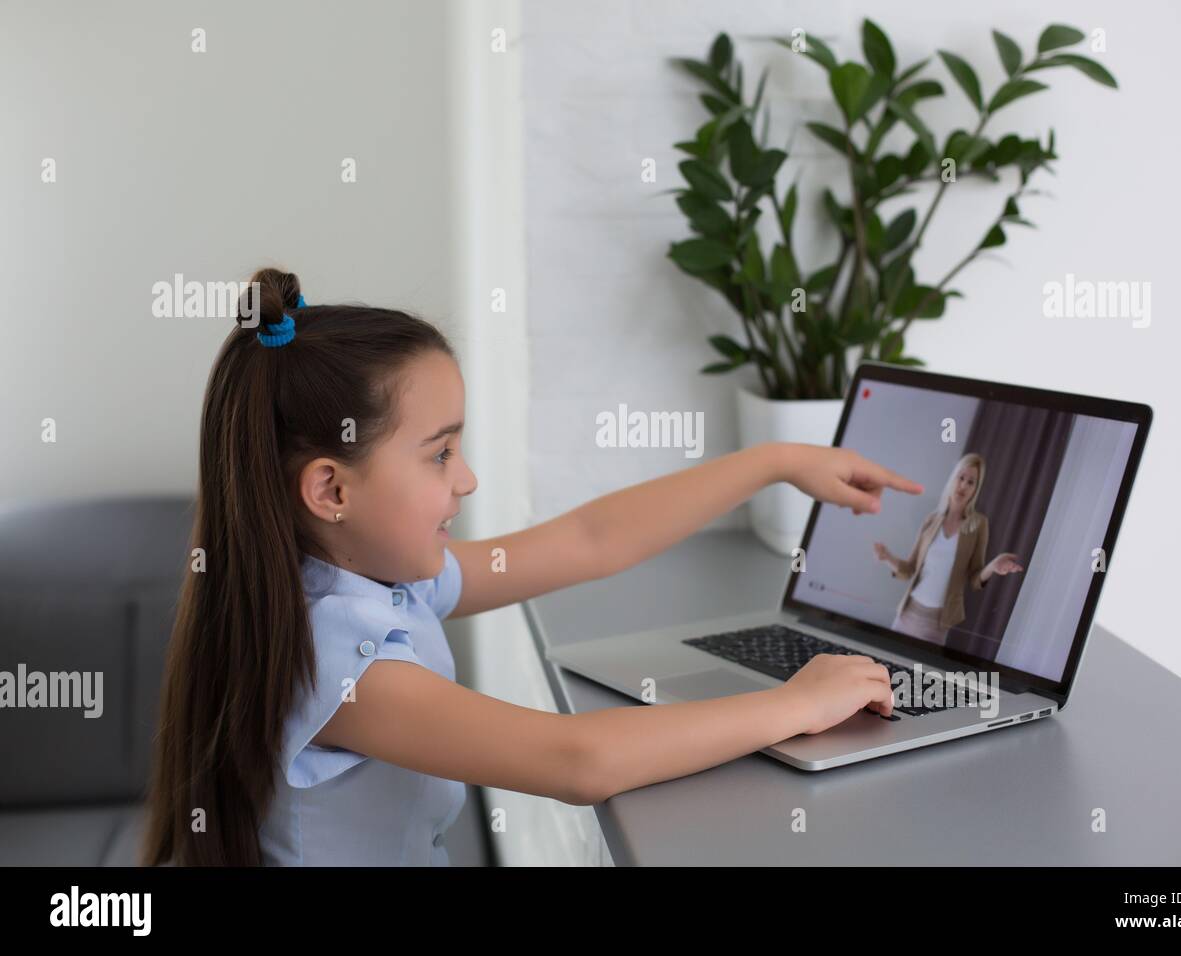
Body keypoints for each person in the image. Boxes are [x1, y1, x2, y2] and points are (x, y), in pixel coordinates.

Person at [142, 266, 926, 865]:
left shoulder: (373, 583)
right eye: (440, 452)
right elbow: (576, 760)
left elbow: (590, 540)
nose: (467, 478)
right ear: (330, 489)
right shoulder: (337, 660)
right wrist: (794, 705)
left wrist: (774, 461)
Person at [872, 453, 1024, 645]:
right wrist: (887, 557)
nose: (963, 485)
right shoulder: (932, 520)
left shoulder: (978, 524)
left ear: (976, 489)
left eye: (971, 482)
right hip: (907, 614)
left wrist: (993, 566)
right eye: (961, 478)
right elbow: (909, 569)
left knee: (919, 675)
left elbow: (975, 578)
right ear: (953, 479)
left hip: (937, 623)